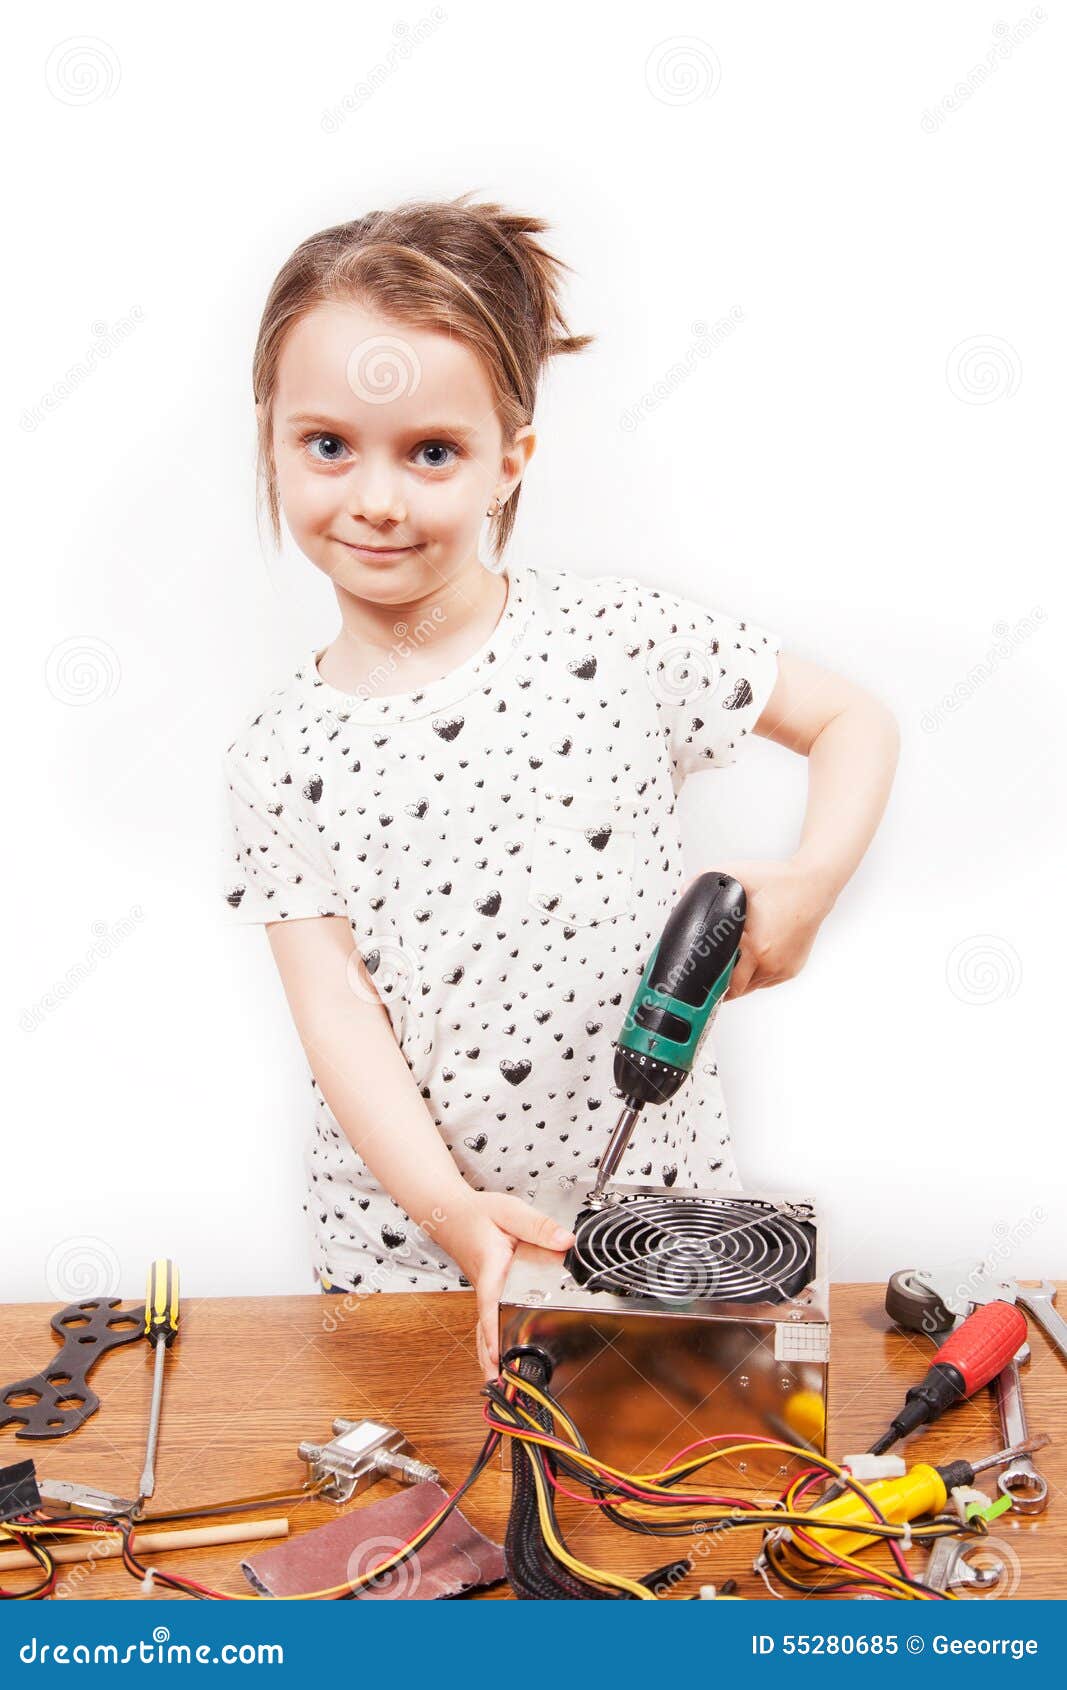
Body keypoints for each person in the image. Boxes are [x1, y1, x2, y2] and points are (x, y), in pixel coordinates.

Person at [219, 194, 899, 1380]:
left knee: (670, 1521)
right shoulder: (277, 753)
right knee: (427, 1545)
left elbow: (853, 720)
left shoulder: (618, 643)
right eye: (328, 444)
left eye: (430, 451)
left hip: (660, 1239)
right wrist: (453, 1216)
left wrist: (809, 881)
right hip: (409, 1263)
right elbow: (336, 1014)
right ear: (271, 439)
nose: (376, 496)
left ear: (505, 464)